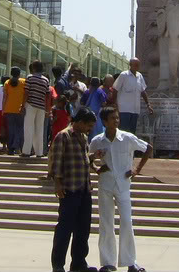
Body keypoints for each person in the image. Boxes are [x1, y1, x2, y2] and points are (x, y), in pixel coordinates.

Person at [90, 105, 152, 272]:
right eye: (112, 118)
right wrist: (95, 168)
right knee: (106, 223)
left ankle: (130, 262)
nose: (116, 121)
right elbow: (87, 157)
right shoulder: (97, 141)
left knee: (126, 221)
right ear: (104, 121)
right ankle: (108, 262)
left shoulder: (128, 138)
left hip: (123, 185)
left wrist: (137, 169)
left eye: (117, 118)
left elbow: (148, 149)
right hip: (105, 184)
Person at [50, 107, 99, 272]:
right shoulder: (63, 136)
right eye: (88, 126)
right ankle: (58, 265)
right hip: (69, 189)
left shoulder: (83, 137)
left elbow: (84, 159)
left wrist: (94, 159)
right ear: (80, 122)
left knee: (83, 229)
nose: (89, 129)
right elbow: (56, 161)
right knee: (65, 228)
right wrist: (57, 183)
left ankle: (78, 263)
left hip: (84, 189)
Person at [113, 59, 152, 134]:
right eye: (136, 65)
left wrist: (148, 104)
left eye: (138, 65)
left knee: (132, 133)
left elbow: (143, 91)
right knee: (123, 132)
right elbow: (115, 90)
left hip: (135, 110)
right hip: (124, 110)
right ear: (130, 65)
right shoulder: (124, 75)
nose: (137, 67)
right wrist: (115, 105)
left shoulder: (139, 76)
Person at [22, 61, 51, 157]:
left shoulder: (30, 78)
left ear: (33, 68)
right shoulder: (46, 80)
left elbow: (26, 92)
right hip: (41, 107)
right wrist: (48, 109)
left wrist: (22, 106)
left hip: (31, 105)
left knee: (28, 128)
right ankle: (39, 152)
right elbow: (48, 96)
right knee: (39, 129)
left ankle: (26, 151)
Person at [3, 66, 26, 155]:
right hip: (19, 109)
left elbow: (5, 97)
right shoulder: (23, 82)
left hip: (9, 109)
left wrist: (3, 108)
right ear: (19, 74)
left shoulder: (7, 82)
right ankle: (16, 145)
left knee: (11, 129)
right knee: (20, 128)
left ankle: (10, 149)